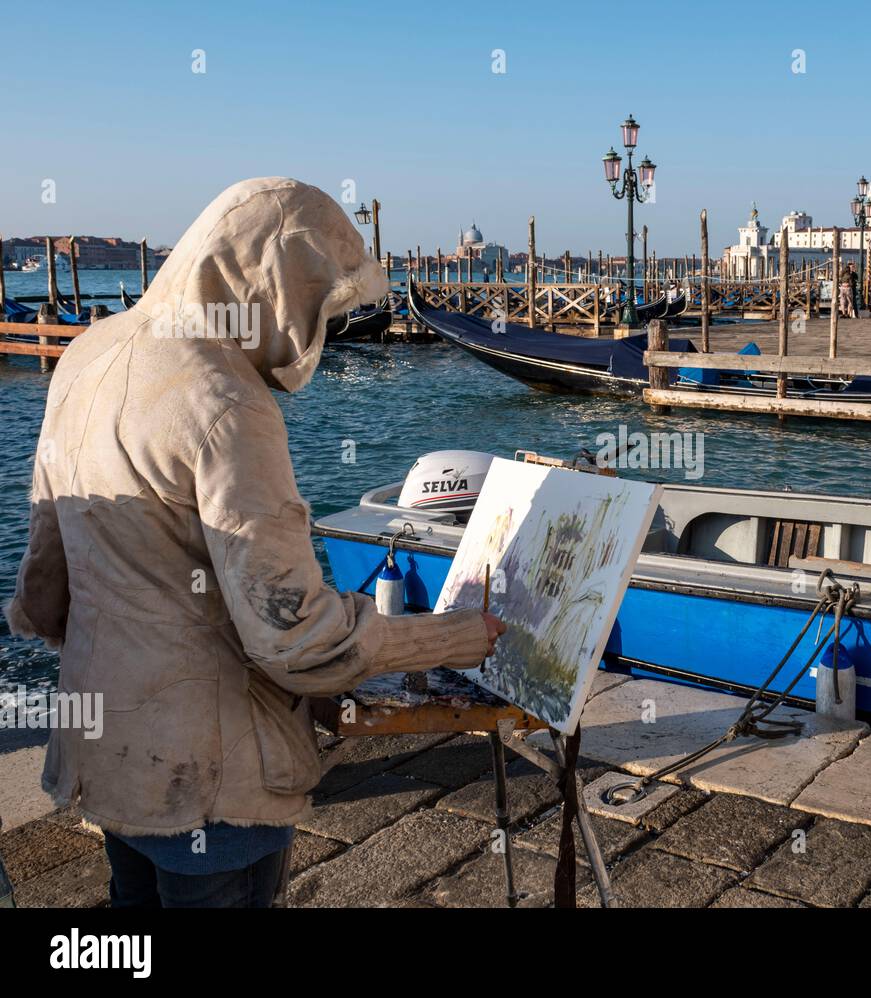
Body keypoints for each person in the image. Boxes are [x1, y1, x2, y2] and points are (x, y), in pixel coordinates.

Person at [6, 178, 507, 908]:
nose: (317, 326)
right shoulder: (224, 397)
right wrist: (458, 637)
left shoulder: (86, 355)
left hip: (109, 752)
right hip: (213, 777)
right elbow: (295, 640)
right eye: (316, 301)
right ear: (271, 285)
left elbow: (44, 584)